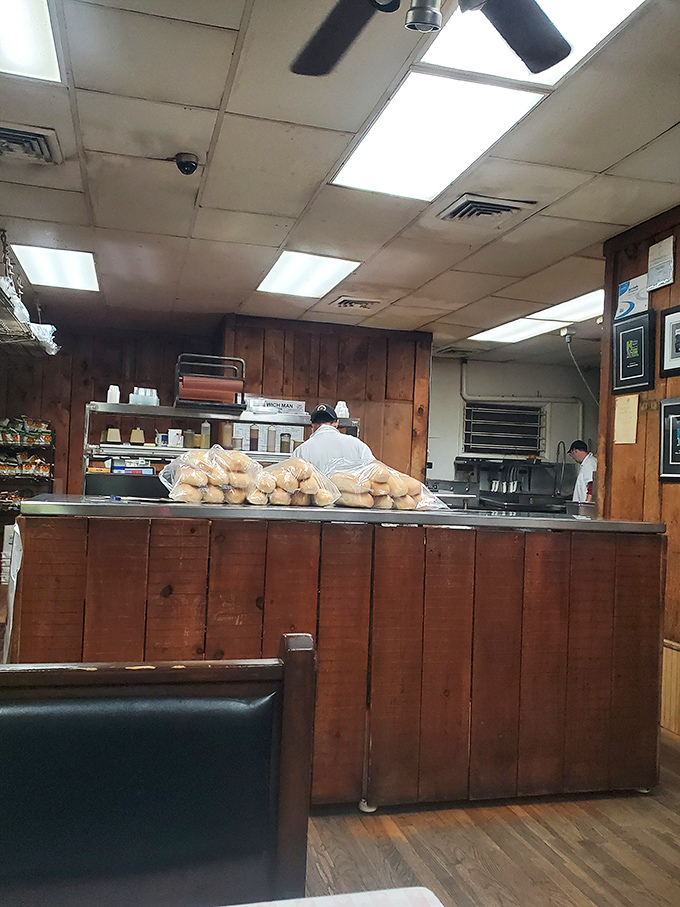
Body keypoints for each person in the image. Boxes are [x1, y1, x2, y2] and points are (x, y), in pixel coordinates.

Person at [294, 404, 375, 474]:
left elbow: (291, 479)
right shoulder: (358, 445)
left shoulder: (301, 450)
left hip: (316, 492)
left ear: (313, 425)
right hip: (350, 492)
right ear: (336, 424)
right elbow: (374, 472)